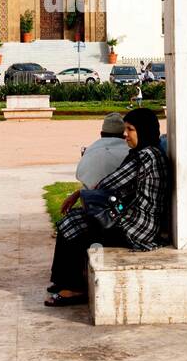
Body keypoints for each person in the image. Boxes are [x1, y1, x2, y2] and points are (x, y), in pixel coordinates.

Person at [46, 107, 170, 307]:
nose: (125, 135)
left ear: (143, 130)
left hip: (137, 229)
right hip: (135, 221)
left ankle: (73, 288)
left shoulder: (145, 156)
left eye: (130, 130)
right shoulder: (147, 152)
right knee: (75, 219)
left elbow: (109, 183)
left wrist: (80, 193)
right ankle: (61, 280)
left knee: (73, 224)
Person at [76, 113, 129, 189]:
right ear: (124, 135)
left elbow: (80, 176)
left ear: (101, 134)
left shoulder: (91, 149)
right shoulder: (130, 151)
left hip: (91, 194)